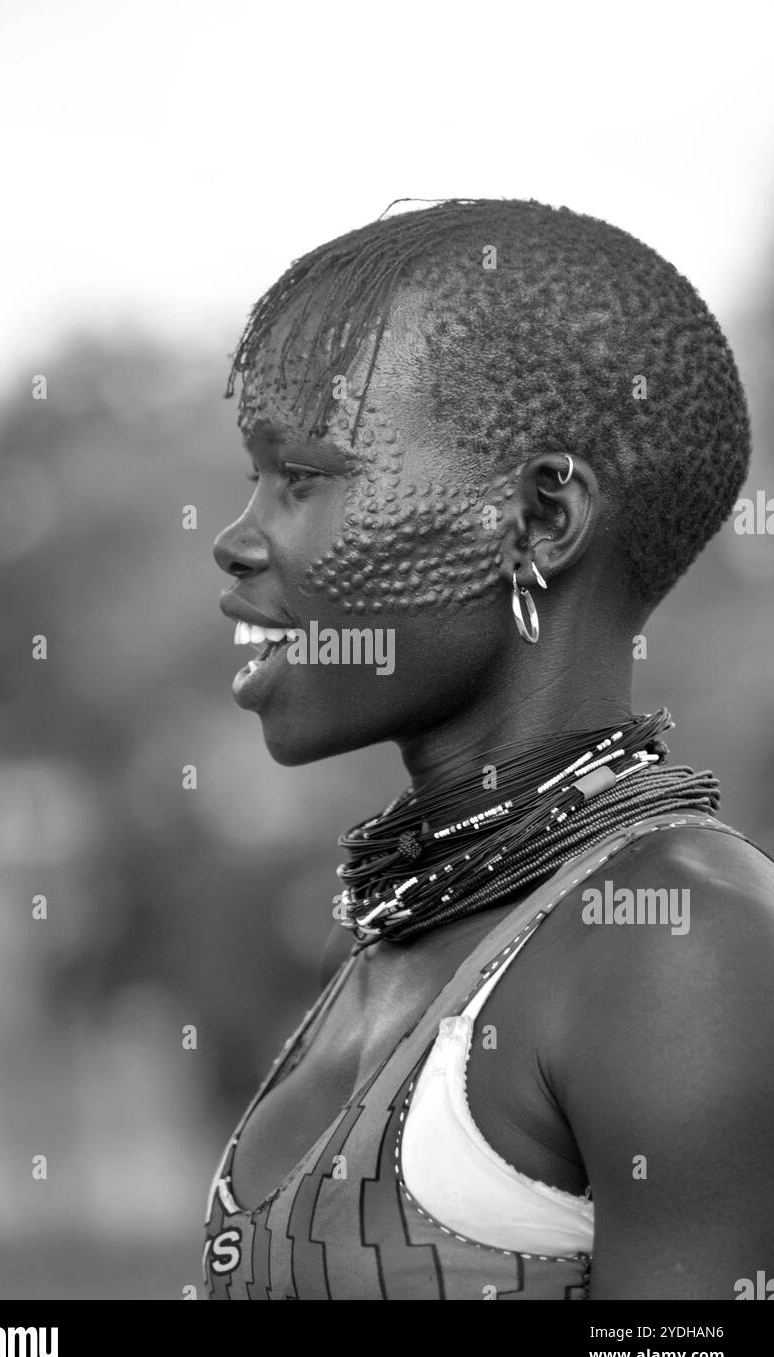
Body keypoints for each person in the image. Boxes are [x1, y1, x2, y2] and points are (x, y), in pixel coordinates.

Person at [206, 198, 774, 1300]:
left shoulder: (678, 948)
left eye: (303, 477)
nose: (235, 541)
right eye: (255, 479)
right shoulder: (400, 926)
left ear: (541, 518)